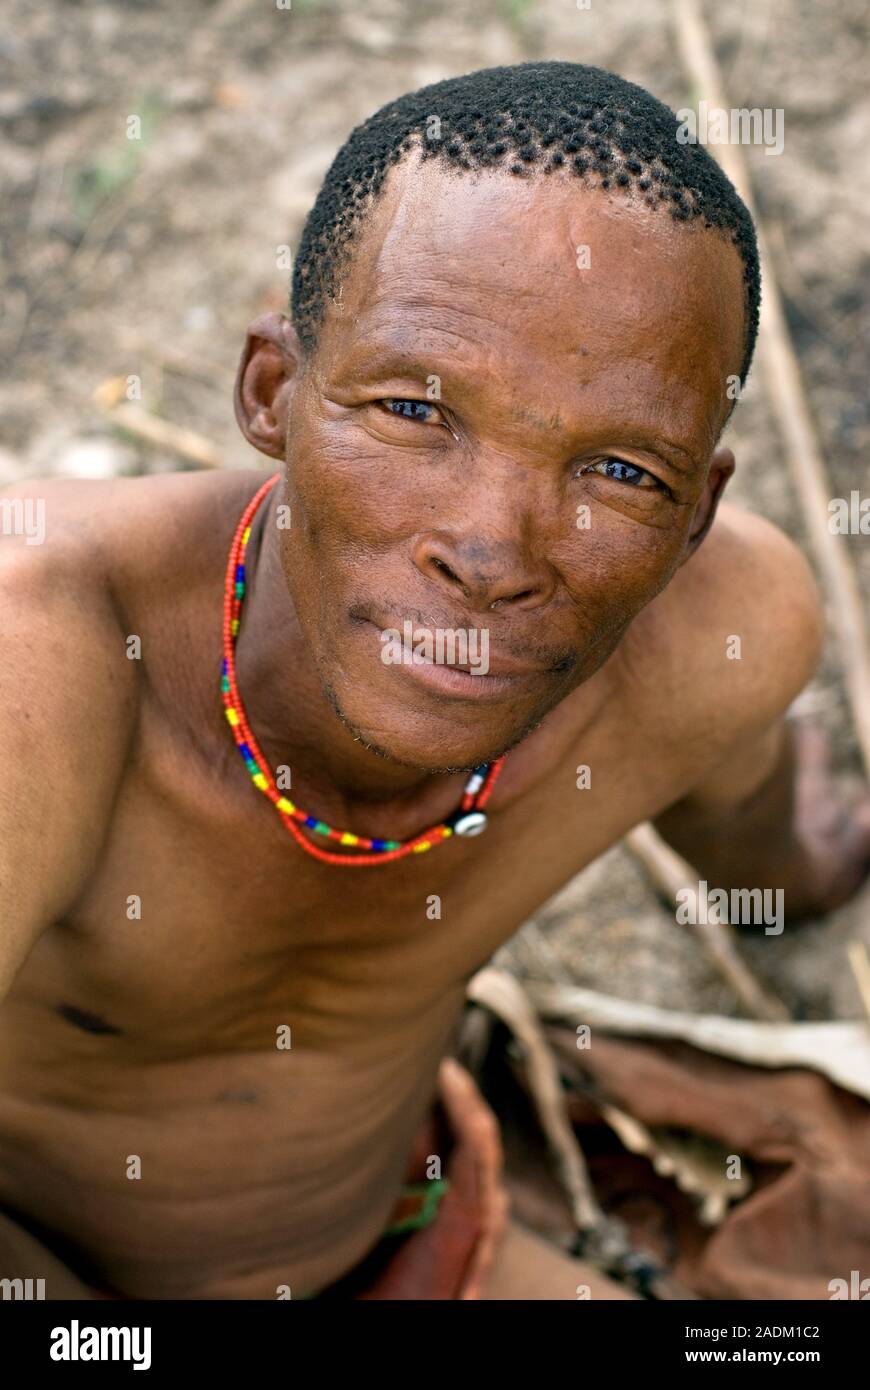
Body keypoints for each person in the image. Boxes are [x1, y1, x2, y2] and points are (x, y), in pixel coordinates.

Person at [1, 62, 867, 1301]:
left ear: (696, 518)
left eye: (620, 472)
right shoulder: (39, 662)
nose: (492, 552)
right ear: (273, 391)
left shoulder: (720, 639)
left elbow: (760, 841)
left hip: (408, 1238)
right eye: (414, 407)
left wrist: (800, 866)